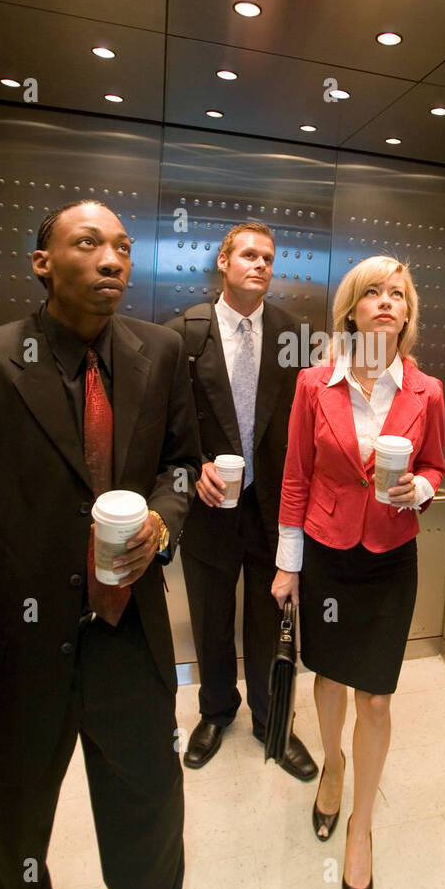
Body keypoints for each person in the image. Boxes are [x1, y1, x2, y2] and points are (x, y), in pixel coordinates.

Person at [0, 200, 204, 889]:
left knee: (148, 801)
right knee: (13, 821)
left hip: (129, 632)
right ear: (42, 262)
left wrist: (165, 521)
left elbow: (184, 466)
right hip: (16, 647)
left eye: (123, 247)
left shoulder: (160, 354)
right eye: (88, 243)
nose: (112, 260)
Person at [271, 256, 445, 889]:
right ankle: (332, 762)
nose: (384, 302)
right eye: (371, 291)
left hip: (392, 558)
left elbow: (435, 465)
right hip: (327, 553)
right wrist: (288, 565)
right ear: (351, 309)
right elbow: (295, 475)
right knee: (331, 676)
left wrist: (421, 487)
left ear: (407, 313)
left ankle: (361, 827)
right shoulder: (315, 383)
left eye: (396, 294)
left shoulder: (426, 390)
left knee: (378, 696)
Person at [165, 223, 317, 781]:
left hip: (274, 503)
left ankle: (269, 718)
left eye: (268, 258)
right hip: (210, 503)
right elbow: (167, 424)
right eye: (248, 255)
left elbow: (312, 417)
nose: (260, 265)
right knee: (208, 611)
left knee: (269, 611)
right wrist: (194, 467)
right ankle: (215, 711)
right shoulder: (184, 332)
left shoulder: (292, 333)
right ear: (223, 263)